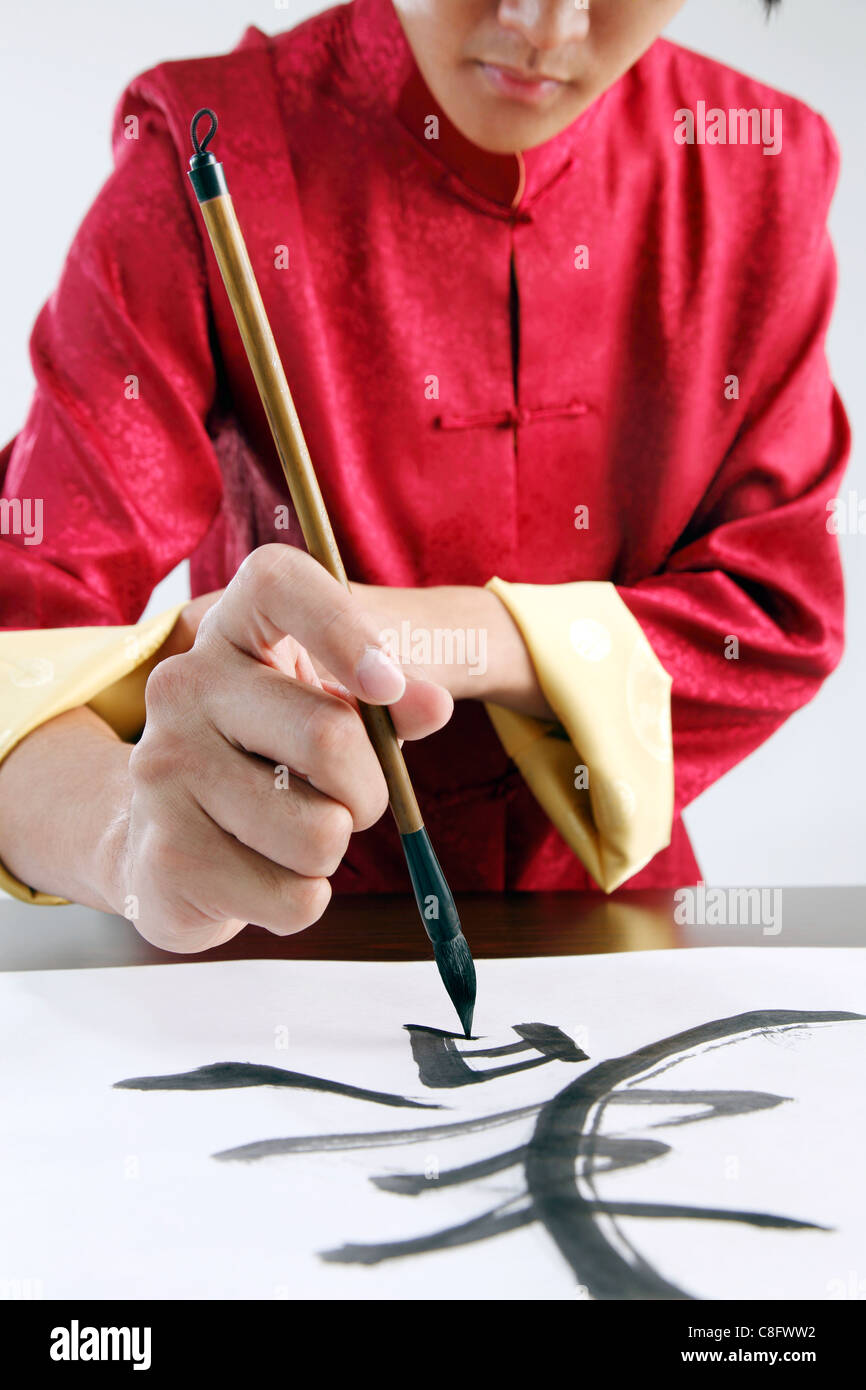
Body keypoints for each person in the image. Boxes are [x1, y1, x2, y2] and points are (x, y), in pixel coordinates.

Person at [0, 0, 847, 952]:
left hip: (618, 951)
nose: (545, 24)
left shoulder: (757, 162)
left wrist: (447, 634)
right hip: (264, 943)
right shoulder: (211, 153)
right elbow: (22, 634)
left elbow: (776, 613)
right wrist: (125, 836)